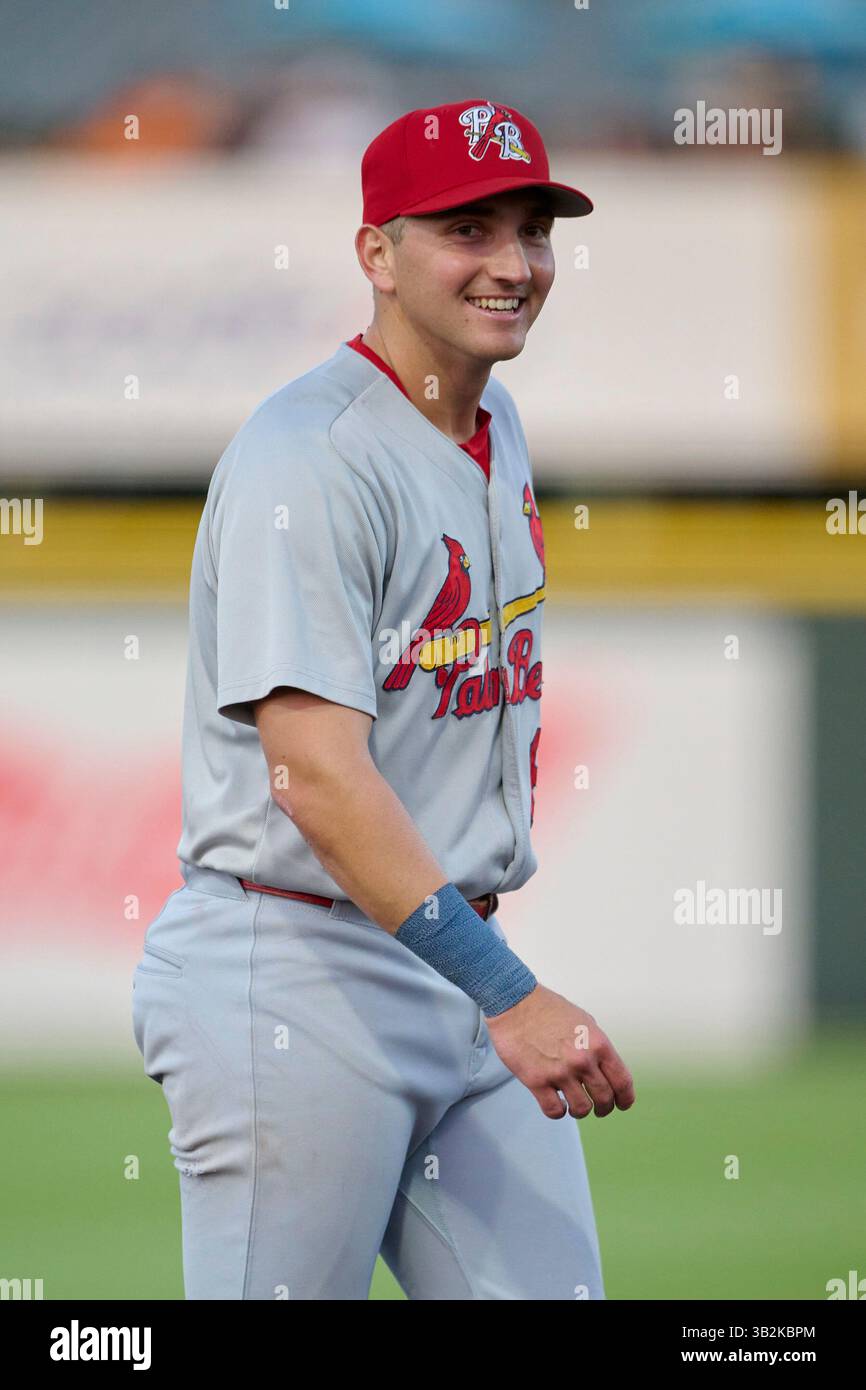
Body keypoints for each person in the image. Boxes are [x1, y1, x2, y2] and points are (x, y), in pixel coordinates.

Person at [132, 98, 635, 1301]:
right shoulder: (305, 457)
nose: (512, 264)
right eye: (467, 229)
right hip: (292, 970)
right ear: (375, 251)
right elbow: (312, 773)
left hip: (448, 956)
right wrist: (510, 994)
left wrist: (484, 979)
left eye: (531, 229)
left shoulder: (492, 420)